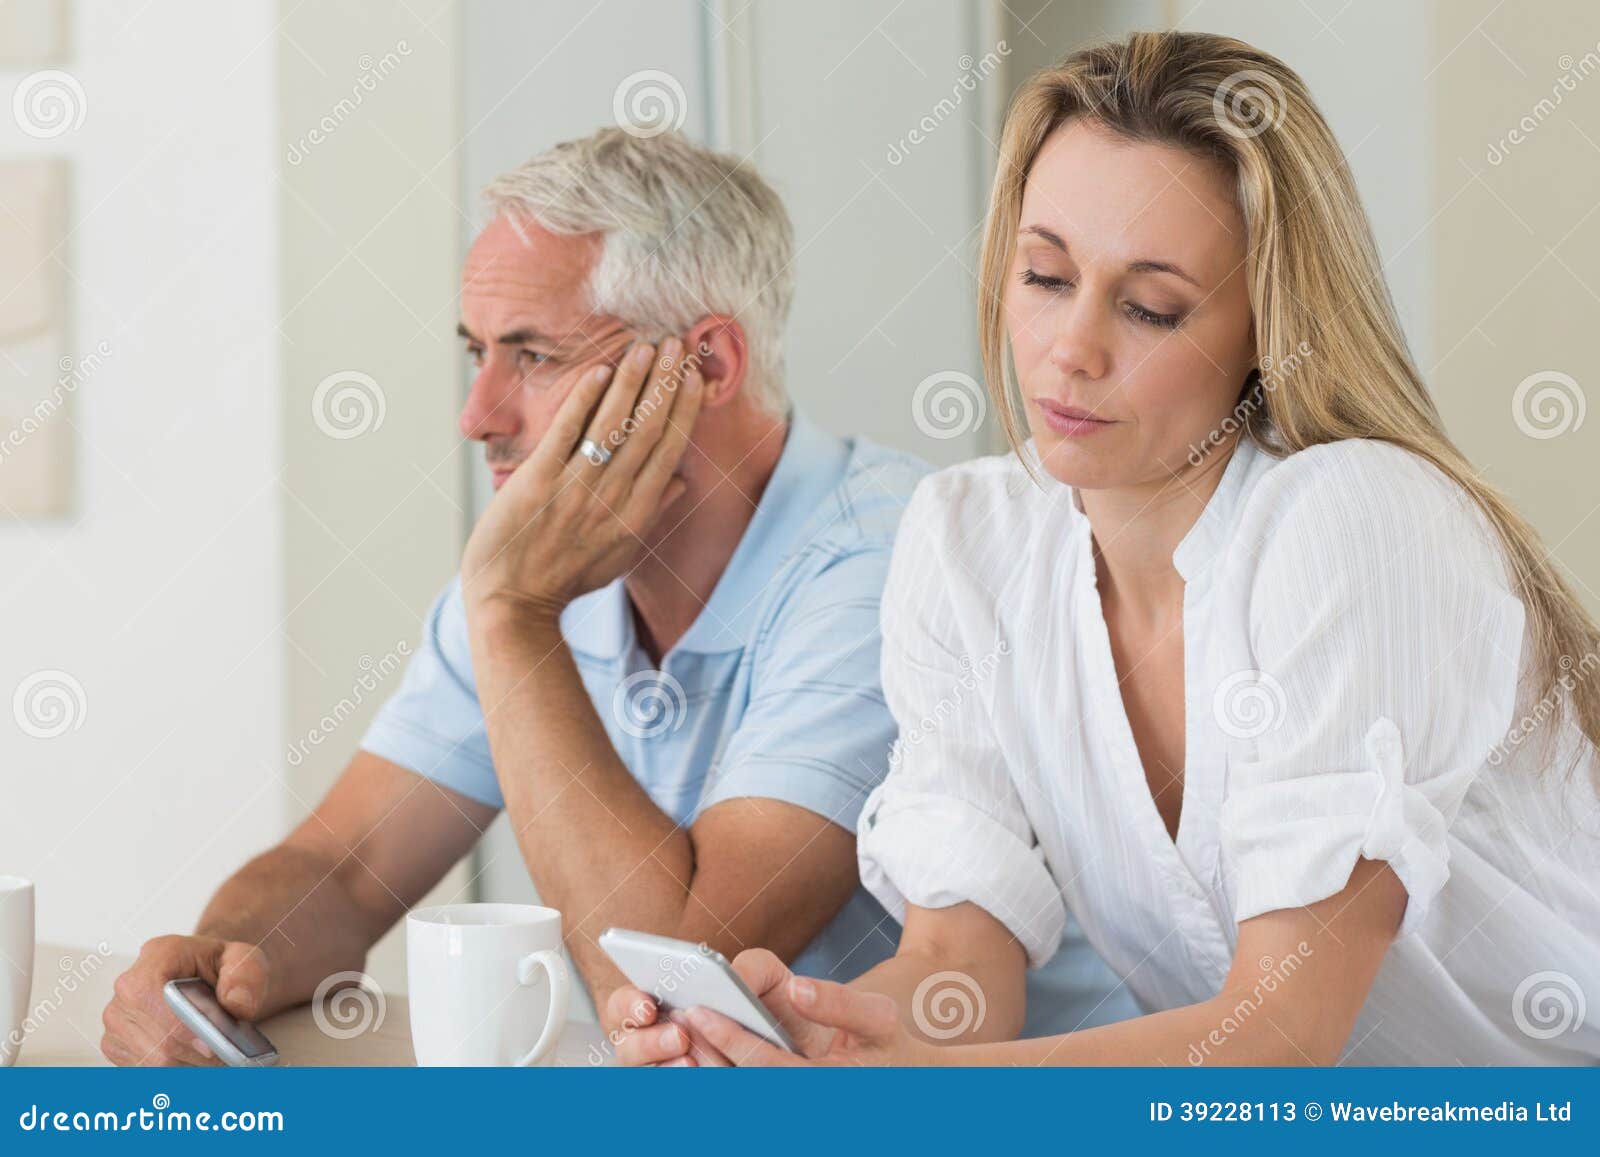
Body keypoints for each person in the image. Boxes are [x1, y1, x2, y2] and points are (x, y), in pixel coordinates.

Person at [613, 31, 1600, 1067]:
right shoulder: (967, 544)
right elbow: (958, 964)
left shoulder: (1355, 520)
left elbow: (1280, 1032)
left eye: (1148, 307)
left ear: (1270, 326)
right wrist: (817, 1034)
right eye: (1043, 276)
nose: (1070, 350)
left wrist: (895, 1096)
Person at [99, 128, 1130, 1066]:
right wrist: (217, 964)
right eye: (476, 351)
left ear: (707, 362)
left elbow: (678, 978)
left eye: (533, 356)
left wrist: (511, 617)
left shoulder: (891, 558)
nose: (476, 413)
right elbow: (349, 864)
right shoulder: (545, 566)